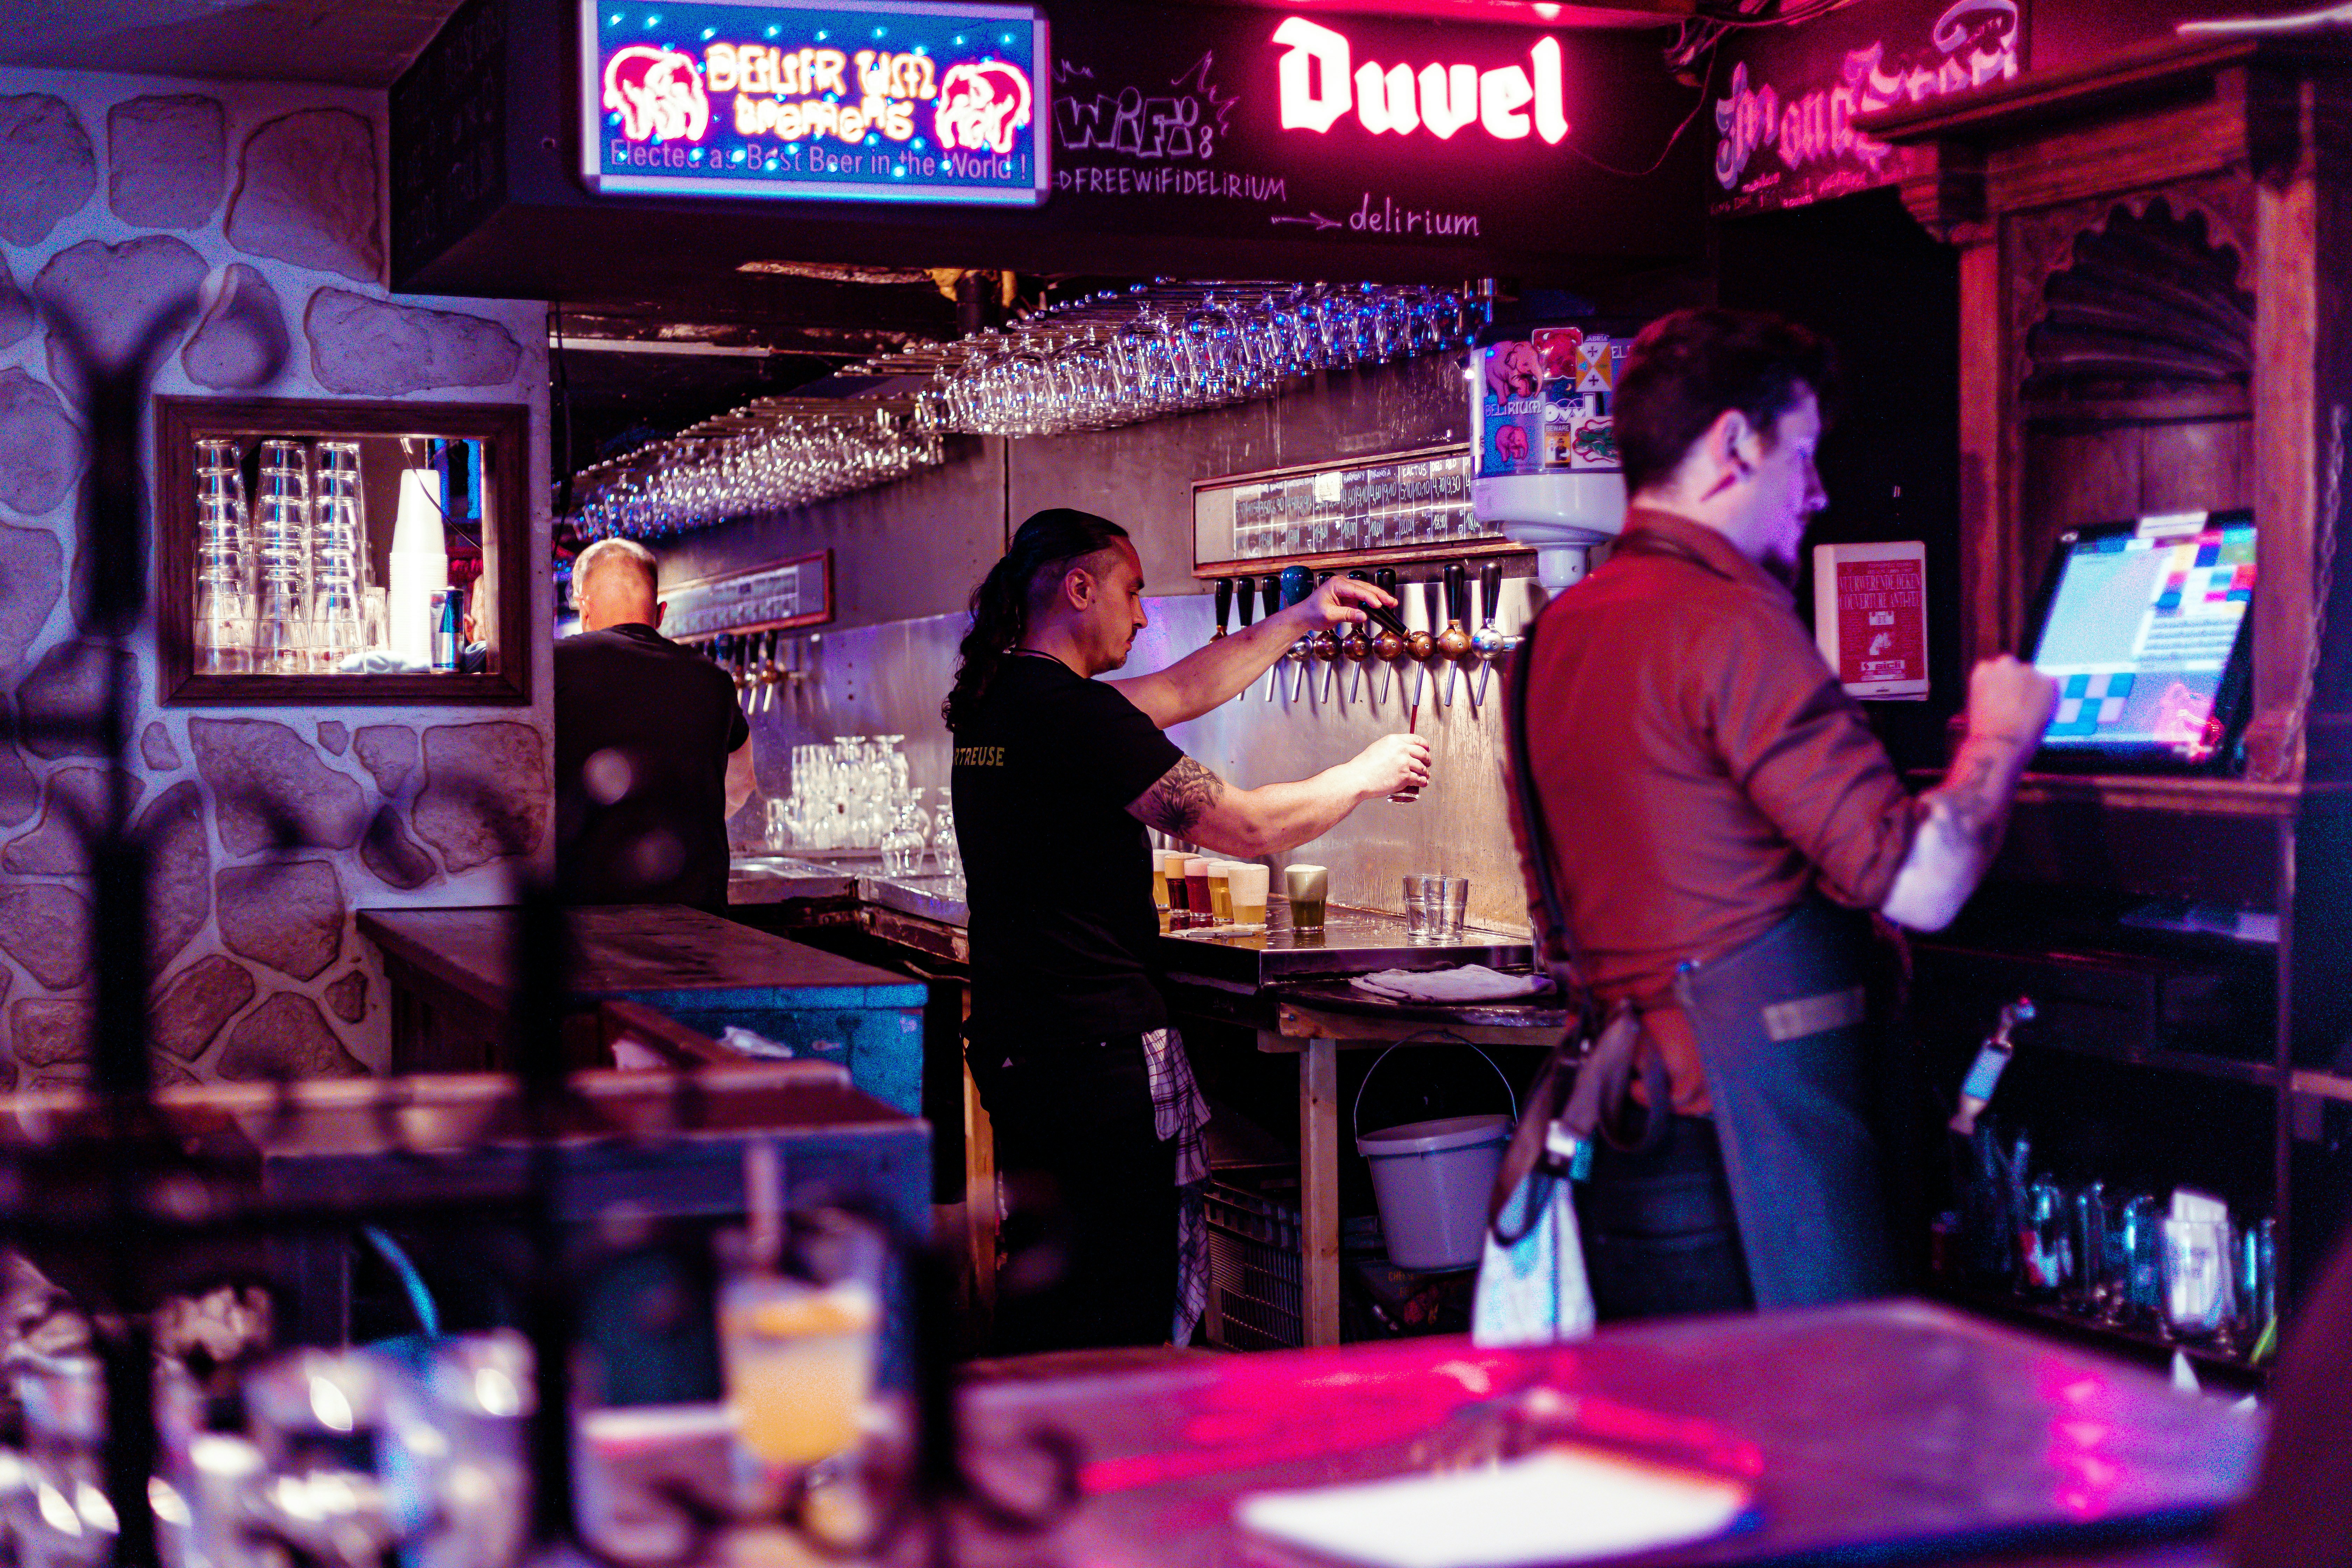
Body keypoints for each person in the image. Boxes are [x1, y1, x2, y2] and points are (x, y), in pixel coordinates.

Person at [1508, 308, 2058, 1322]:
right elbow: (1925, 885)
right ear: (1732, 445)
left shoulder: (1556, 637)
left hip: (1628, 1147)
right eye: (1801, 456)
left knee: (1682, 1466)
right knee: (1807, 1461)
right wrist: (2000, 737)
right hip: (1757, 1161)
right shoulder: (1729, 620)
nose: (1818, 491)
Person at [947, 508, 1430, 1352]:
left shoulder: (1002, 703)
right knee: (1127, 1297)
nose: (1141, 615)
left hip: (1025, 1048)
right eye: (1132, 593)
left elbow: (1179, 691)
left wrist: (1297, 618)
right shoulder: (1072, 718)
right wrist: (1363, 774)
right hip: (1103, 1060)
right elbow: (1242, 828)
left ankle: (1045, 1449)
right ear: (1079, 587)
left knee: (1055, 1284)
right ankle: (1125, 1460)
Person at [554, 537, 754, 912]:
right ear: (660, 614)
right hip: (697, 919)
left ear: (584, 606)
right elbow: (743, 783)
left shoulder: (552, 666)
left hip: (589, 918)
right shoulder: (714, 680)